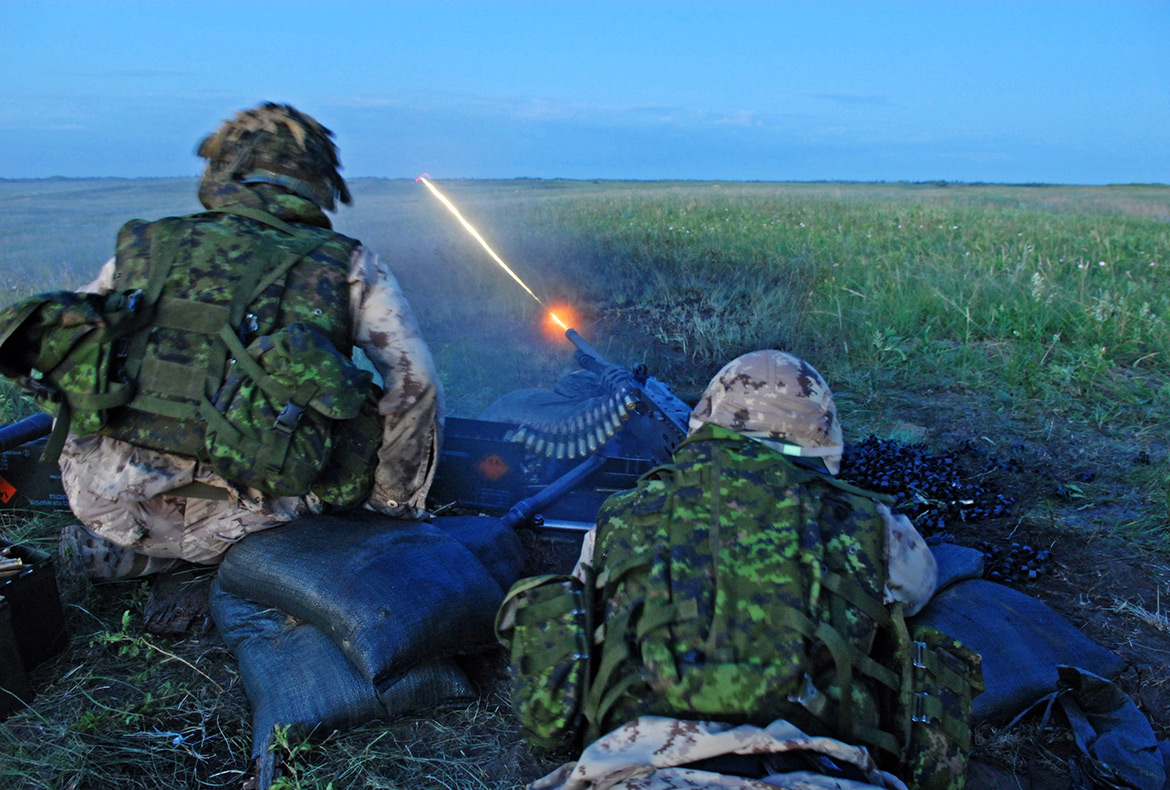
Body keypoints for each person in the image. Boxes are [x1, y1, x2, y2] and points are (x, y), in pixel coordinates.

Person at [499, 349, 977, 790]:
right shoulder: (870, 523)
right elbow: (917, 588)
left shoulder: (624, 514)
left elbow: (582, 603)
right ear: (822, 434)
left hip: (636, 770)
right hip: (819, 774)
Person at [52, 102, 441, 581]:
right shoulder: (349, 263)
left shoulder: (148, 244)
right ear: (317, 180)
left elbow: (68, 347)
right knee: (354, 411)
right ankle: (220, 567)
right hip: (246, 524)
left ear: (224, 169)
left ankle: (137, 554)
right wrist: (391, 506)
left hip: (103, 501)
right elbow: (416, 384)